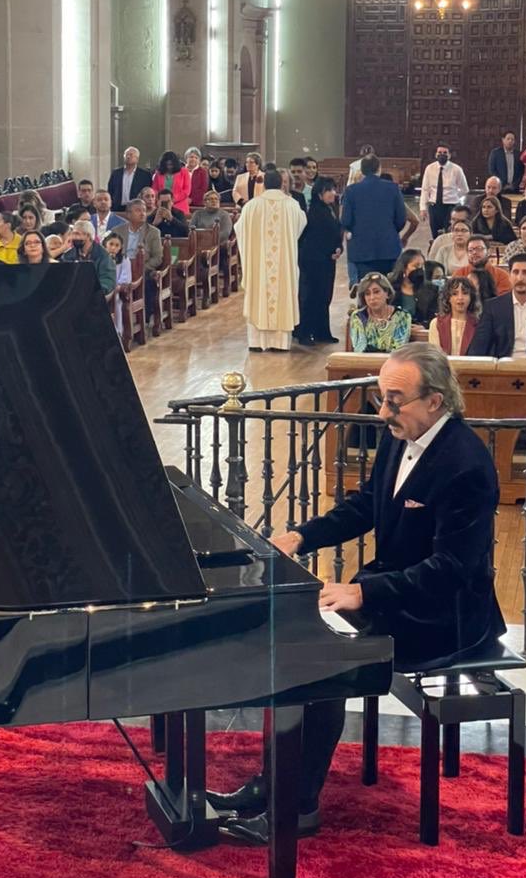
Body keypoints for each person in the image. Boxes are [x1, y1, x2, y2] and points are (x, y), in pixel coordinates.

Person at [216, 344, 504, 846]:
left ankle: (297, 806)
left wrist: (362, 592)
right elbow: (368, 504)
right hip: (400, 592)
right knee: (294, 635)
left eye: (395, 400)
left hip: (446, 615)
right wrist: (301, 536)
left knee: (324, 661)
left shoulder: (467, 466)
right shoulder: (400, 434)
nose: (384, 411)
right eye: (381, 398)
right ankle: (272, 782)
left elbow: (452, 570)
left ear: (435, 401)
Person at [234, 169, 306, 351]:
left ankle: (257, 343)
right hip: (283, 264)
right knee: (282, 294)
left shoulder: (251, 206)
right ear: (281, 183)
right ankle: (280, 344)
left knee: (258, 294)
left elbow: (239, 229)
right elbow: (300, 226)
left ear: (264, 184)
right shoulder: (292, 205)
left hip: (258, 266)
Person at [340, 155, 407, 282]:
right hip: (388, 248)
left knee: (365, 289)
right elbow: (401, 219)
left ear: (362, 170)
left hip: (361, 250)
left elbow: (346, 220)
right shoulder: (392, 188)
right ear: (379, 169)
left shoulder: (351, 191)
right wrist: (389, 231)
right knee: (389, 289)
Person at [296, 176, 342, 345]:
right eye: (328, 190)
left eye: (333, 190)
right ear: (319, 194)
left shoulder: (330, 209)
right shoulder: (314, 212)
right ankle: (305, 333)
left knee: (324, 296)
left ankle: (322, 331)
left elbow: (336, 233)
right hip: (314, 261)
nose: (332, 193)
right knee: (311, 297)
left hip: (327, 260)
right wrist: (329, 252)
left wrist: (338, 249)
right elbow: (315, 239)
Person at [110, 199, 163, 315]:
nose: (142, 213)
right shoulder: (117, 231)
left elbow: (158, 257)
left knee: (148, 282)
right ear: (128, 214)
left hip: (143, 269)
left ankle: (146, 318)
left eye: (144, 211)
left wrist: (141, 268)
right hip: (120, 269)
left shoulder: (153, 232)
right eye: (138, 210)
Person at [349, 273, 412, 353]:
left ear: (387, 293)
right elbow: (360, 349)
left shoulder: (403, 316)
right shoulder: (358, 316)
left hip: (393, 363)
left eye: (376, 292)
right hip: (364, 363)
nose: (372, 298)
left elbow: (398, 349)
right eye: (367, 294)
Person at [419, 144, 469, 239]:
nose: (442, 155)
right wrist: (422, 208)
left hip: (451, 206)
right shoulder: (429, 168)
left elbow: (464, 189)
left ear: (449, 155)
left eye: (445, 153)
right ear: (435, 154)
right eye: (439, 152)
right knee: (435, 235)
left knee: (449, 234)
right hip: (434, 206)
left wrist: (454, 196)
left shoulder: (456, 169)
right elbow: (425, 189)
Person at [428, 276, 480, 356]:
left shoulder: (479, 324)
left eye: (465, 293)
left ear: (471, 297)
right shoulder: (436, 324)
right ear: (448, 297)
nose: (460, 298)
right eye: (454, 294)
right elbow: (435, 358)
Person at [59, 219, 115, 292]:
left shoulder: (103, 256)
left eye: (77, 234)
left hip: (94, 295)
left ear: (88, 236)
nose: (73, 237)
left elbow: (108, 280)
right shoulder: (67, 256)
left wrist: (91, 290)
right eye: (73, 234)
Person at [107, 146, 153, 211]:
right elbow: (110, 190)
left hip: (137, 208)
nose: (128, 157)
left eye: (131, 155)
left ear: (137, 159)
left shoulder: (145, 175)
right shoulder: (116, 173)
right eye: (126, 155)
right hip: (117, 208)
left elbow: (147, 191)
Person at [103, 231, 131, 336]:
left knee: (116, 299)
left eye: (117, 245)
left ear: (120, 247)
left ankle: (117, 331)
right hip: (104, 289)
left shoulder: (124, 259)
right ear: (105, 244)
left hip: (118, 290)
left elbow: (125, 278)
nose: (113, 248)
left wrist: (115, 287)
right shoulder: (101, 259)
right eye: (111, 244)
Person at [388, 249, 426, 321]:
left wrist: (424, 326)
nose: (420, 270)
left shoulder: (430, 289)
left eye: (422, 266)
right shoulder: (390, 288)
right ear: (404, 267)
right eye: (416, 266)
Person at [151, 150, 192, 215]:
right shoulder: (158, 174)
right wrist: (160, 200)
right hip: (161, 206)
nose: (169, 167)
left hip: (180, 206)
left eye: (171, 165)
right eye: (167, 164)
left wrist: (171, 200)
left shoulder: (184, 172)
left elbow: (186, 191)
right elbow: (154, 189)